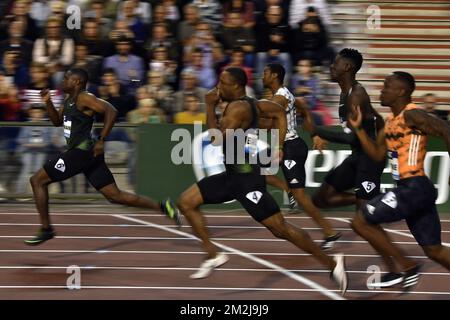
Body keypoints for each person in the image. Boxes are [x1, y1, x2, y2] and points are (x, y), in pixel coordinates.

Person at [176, 67, 348, 294]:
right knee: (186, 202)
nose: (217, 88)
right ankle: (213, 254)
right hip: (233, 173)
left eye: (222, 83)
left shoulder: (237, 108)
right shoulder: (252, 103)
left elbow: (216, 140)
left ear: (236, 85)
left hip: (246, 178)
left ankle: (332, 264)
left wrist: (208, 105)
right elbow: (278, 111)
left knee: (281, 229)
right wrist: (278, 143)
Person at [25, 68, 181, 245]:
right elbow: (56, 122)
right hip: (87, 155)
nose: (62, 81)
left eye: (66, 78)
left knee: (37, 180)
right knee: (115, 196)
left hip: (81, 152)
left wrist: (102, 140)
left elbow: (111, 111)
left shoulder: (84, 97)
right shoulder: (68, 100)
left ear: (76, 82)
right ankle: (162, 206)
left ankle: (46, 229)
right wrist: (48, 102)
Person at [348, 71, 450, 290]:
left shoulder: (412, 115)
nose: (382, 91)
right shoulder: (391, 122)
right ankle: (407, 266)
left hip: (414, 186)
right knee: (434, 250)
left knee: (360, 221)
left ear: (401, 92)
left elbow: (446, 130)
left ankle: (407, 266)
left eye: (387, 86)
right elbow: (377, 154)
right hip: (412, 189)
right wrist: (358, 129)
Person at [262, 63, 341, 249]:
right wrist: (314, 133)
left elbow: (268, 117)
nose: (262, 76)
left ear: (274, 76)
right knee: (251, 168)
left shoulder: (280, 98)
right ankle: (286, 189)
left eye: (265, 73)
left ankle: (330, 232)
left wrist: (244, 109)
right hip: (285, 146)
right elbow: (304, 108)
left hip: (290, 147)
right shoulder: (284, 95)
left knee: (301, 197)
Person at [303, 48, 385, 218]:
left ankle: (371, 200)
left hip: (369, 159)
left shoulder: (357, 95)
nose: (331, 67)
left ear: (347, 66)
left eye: (335, 63)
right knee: (321, 199)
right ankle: (374, 198)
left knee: (364, 222)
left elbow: (352, 137)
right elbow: (375, 120)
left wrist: (316, 130)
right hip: (357, 155)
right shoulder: (345, 93)